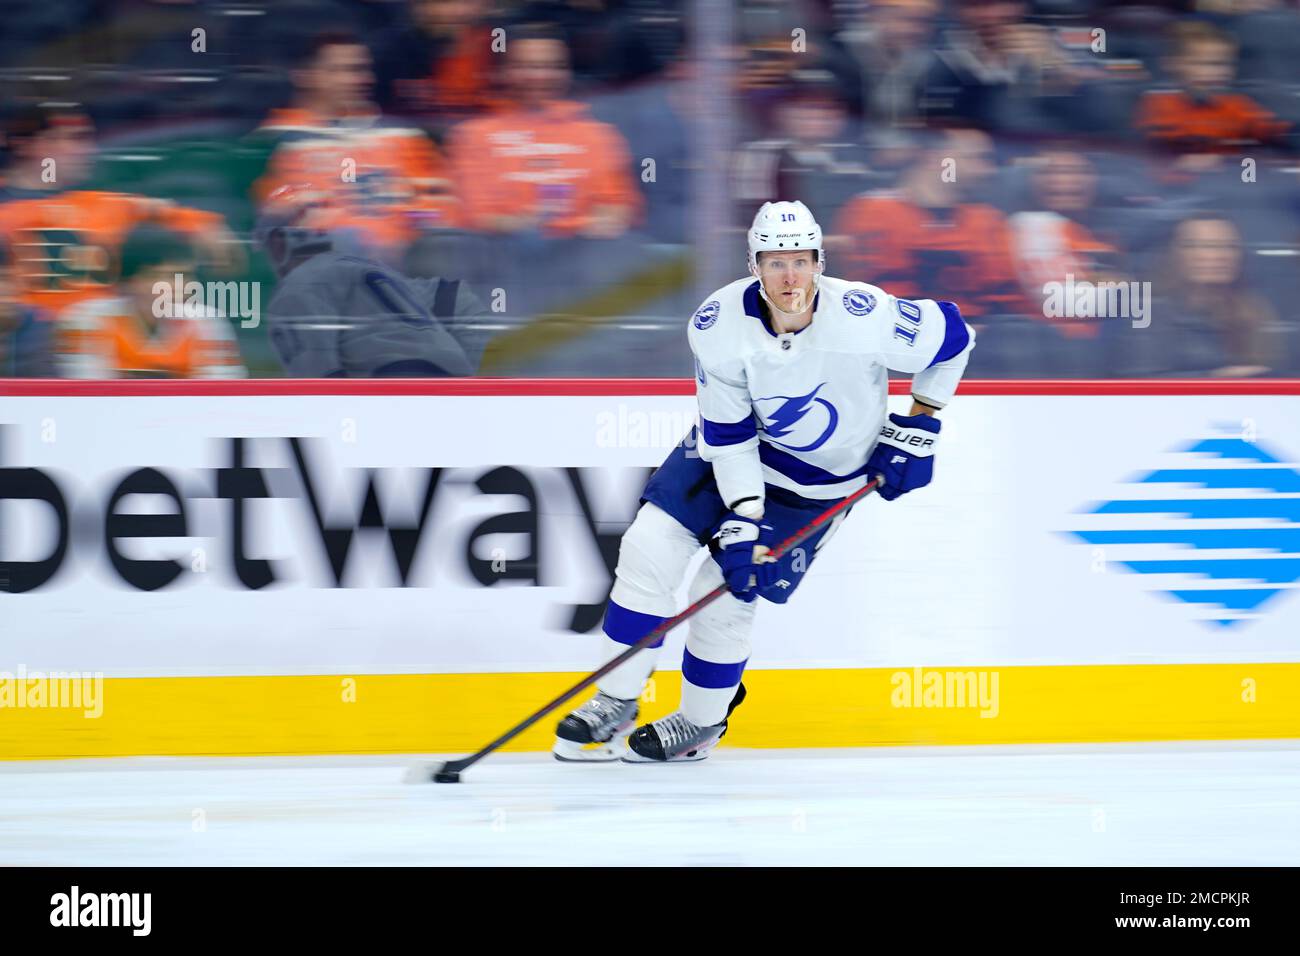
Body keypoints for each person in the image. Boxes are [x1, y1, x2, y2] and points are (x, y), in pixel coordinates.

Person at [553, 201, 975, 763]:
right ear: (755, 265)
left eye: (801, 261)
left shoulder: (866, 314)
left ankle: (701, 722)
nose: (790, 277)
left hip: (816, 485)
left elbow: (957, 337)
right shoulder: (717, 323)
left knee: (722, 594)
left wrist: (922, 421)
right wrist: (744, 520)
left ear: (820, 262)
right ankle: (616, 698)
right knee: (648, 545)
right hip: (732, 453)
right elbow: (727, 437)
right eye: (776, 263)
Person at [257, 184, 487, 377]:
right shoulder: (377, 273)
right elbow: (456, 297)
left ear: (279, 242)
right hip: (447, 381)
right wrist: (459, 374)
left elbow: (320, 387)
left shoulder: (298, 287)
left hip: (390, 385)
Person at [55, 225, 246, 379]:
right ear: (130, 281)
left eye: (184, 276)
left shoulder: (206, 321)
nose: (178, 286)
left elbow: (223, 392)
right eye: (163, 276)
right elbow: (86, 394)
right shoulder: (86, 319)